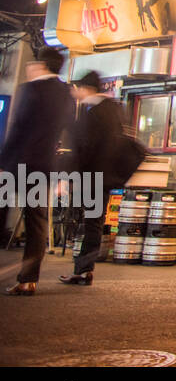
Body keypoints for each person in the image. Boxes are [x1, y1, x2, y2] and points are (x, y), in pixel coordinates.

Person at [1, 47, 75, 296]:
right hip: (44, 165)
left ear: (41, 65)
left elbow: (18, 129)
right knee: (37, 221)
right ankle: (28, 280)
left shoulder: (30, 89)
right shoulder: (66, 94)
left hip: (18, 163)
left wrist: (3, 163)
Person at [59, 71, 133, 286]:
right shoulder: (115, 109)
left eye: (78, 89)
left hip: (92, 176)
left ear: (86, 89)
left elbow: (83, 148)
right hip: (107, 177)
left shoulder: (92, 113)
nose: (76, 93)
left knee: (90, 222)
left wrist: (68, 176)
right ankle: (84, 268)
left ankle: (83, 269)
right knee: (94, 222)